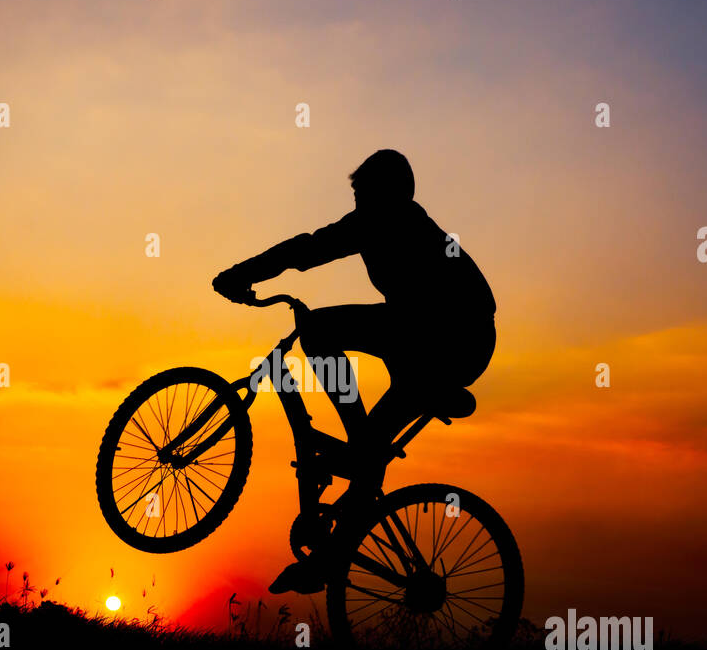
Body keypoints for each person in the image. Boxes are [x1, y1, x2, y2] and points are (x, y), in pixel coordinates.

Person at [213, 149, 497, 594]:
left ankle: (359, 442)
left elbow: (306, 249)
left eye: (363, 194)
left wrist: (240, 273)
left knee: (320, 327)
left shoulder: (391, 219)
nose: (358, 204)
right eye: (357, 195)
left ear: (389, 193)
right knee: (368, 459)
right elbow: (310, 248)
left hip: (446, 337)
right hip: (438, 341)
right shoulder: (401, 222)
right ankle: (328, 557)